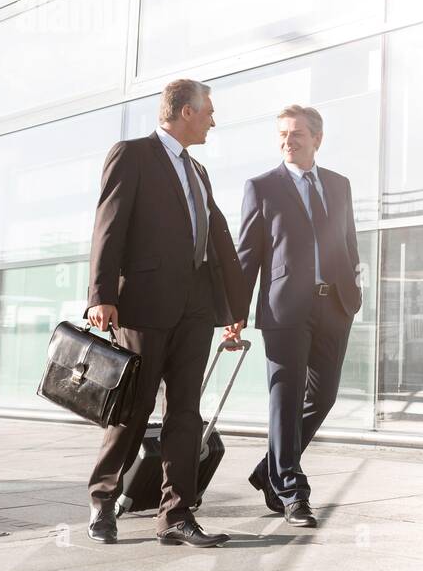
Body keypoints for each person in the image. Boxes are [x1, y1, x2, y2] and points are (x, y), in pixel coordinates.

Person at [84, 79, 247, 547]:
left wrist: (233, 307)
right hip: (144, 303)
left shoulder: (199, 170)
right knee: (132, 409)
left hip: (196, 306)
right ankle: (103, 500)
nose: (214, 120)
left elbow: (218, 241)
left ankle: (176, 514)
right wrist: (100, 294)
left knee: (186, 413)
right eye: (209, 111)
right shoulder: (132, 154)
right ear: (185, 111)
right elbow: (108, 224)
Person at [232, 104, 362, 527]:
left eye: (297, 135)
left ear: (317, 139)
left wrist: (353, 294)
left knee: (322, 398)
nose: (288, 141)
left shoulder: (340, 185)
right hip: (284, 308)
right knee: (285, 400)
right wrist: (235, 311)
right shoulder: (262, 187)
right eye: (283, 135)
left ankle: (268, 470)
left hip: (334, 305)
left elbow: (349, 243)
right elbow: (247, 255)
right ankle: (291, 490)